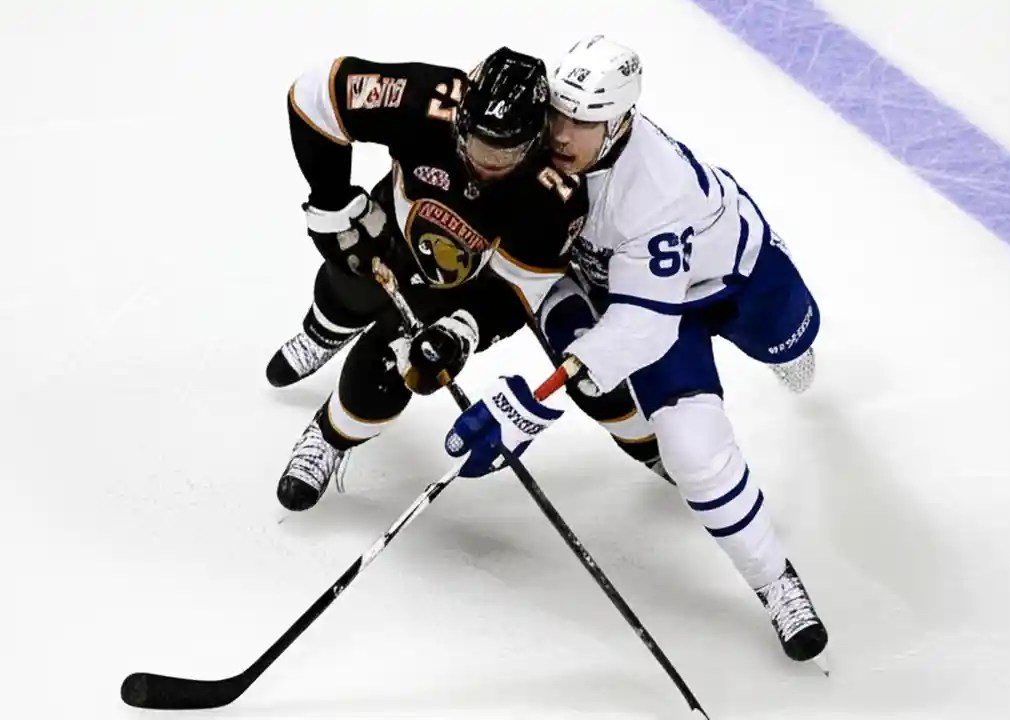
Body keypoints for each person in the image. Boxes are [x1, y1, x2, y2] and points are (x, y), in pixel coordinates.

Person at [443, 36, 828, 665]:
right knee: (696, 454)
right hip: (637, 300)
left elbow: (640, 329)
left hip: (734, 279)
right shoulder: (535, 147)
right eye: (559, 114)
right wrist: (562, 361)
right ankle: (774, 580)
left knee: (797, 344)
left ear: (618, 122)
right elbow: (544, 273)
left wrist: (539, 397)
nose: (562, 134)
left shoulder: (656, 189)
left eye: (585, 122)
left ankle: (781, 346)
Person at [271, 47, 588, 512]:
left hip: (456, 290)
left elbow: (519, 286)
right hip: (387, 237)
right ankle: (321, 334)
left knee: (393, 372)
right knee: (346, 288)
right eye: (478, 144)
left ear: (535, 139)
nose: (487, 163)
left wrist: (463, 330)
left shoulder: (556, 194)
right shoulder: (425, 99)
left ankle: (331, 434)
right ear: (461, 118)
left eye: (506, 152)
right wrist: (331, 202)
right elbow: (316, 94)